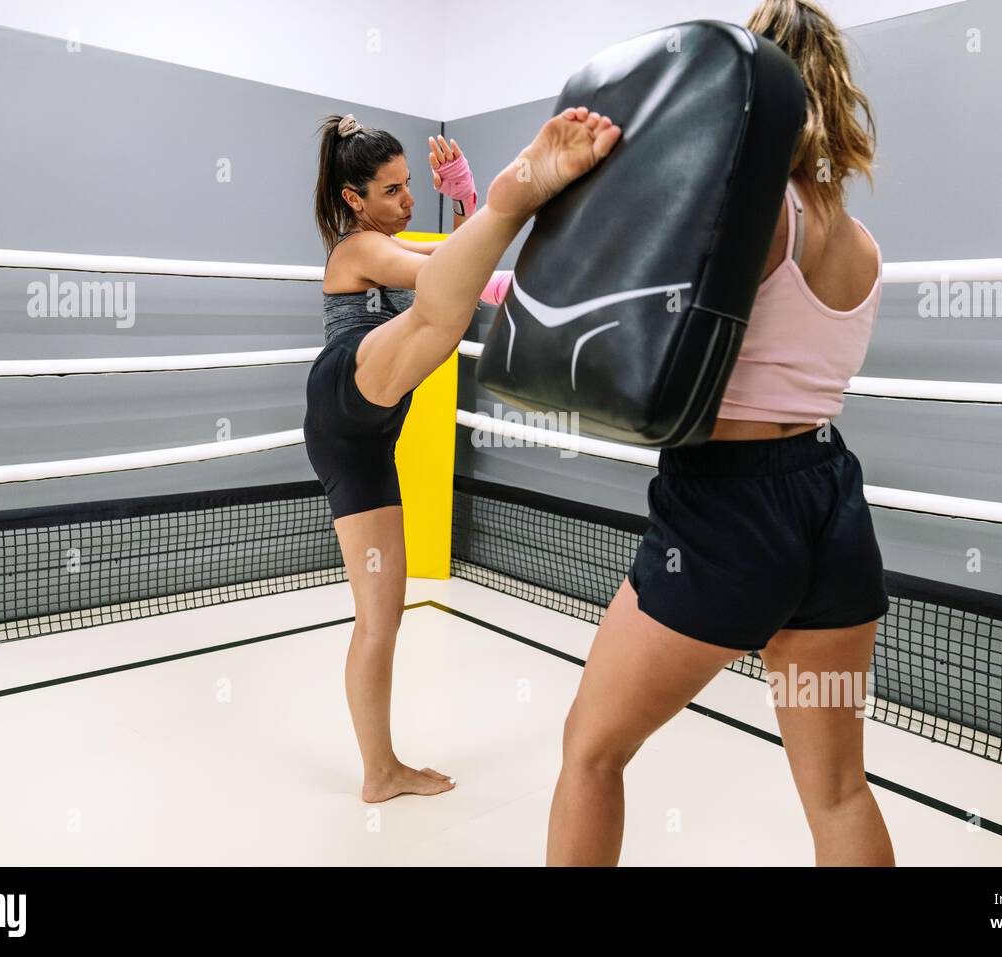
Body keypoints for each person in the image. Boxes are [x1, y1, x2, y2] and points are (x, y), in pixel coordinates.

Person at [546, 0, 894, 866]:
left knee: (592, 748)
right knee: (840, 789)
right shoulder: (862, 243)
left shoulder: (756, 215)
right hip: (831, 499)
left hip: (726, 509)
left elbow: (622, 288)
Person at [305, 106, 621, 803]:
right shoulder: (355, 248)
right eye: (391, 191)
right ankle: (522, 183)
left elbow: (472, 280)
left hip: (366, 439)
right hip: (344, 391)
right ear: (354, 200)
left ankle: (379, 770)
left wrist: (472, 211)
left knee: (382, 614)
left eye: (411, 184)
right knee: (440, 318)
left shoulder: (396, 240)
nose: (409, 199)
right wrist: (481, 204)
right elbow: (442, 280)